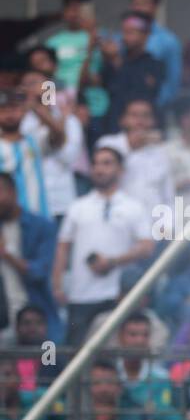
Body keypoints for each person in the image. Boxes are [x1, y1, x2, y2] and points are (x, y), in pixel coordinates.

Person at [51, 146, 153, 345]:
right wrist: (57, 286)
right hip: (80, 294)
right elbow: (63, 247)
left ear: (121, 170)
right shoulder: (77, 207)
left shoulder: (134, 207)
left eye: (107, 163)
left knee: (111, 355)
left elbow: (147, 246)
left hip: (116, 294)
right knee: (76, 354)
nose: (99, 169)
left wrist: (112, 261)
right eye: (96, 163)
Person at [0, 171, 62, 342]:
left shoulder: (41, 226)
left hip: (39, 317)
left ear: (12, 192)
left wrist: (6, 255)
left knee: (49, 364)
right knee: (8, 368)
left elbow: (39, 272)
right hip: (5, 321)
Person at [0, 85, 67, 221]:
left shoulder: (35, 139)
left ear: (24, 111)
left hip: (38, 216)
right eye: (3, 110)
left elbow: (59, 137)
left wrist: (36, 107)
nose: (9, 114)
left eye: (14, 108)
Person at [95, 99, 175, 212]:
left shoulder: (161, 152)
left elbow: (168, 195)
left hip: (152, 222)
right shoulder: (108, 144)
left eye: (146, 116)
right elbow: (103, 179)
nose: (140, 120)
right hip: (118, 219)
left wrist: (167, 226)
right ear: (122, 120)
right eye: (134, 115)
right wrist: (132, 145)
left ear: (153, 121)